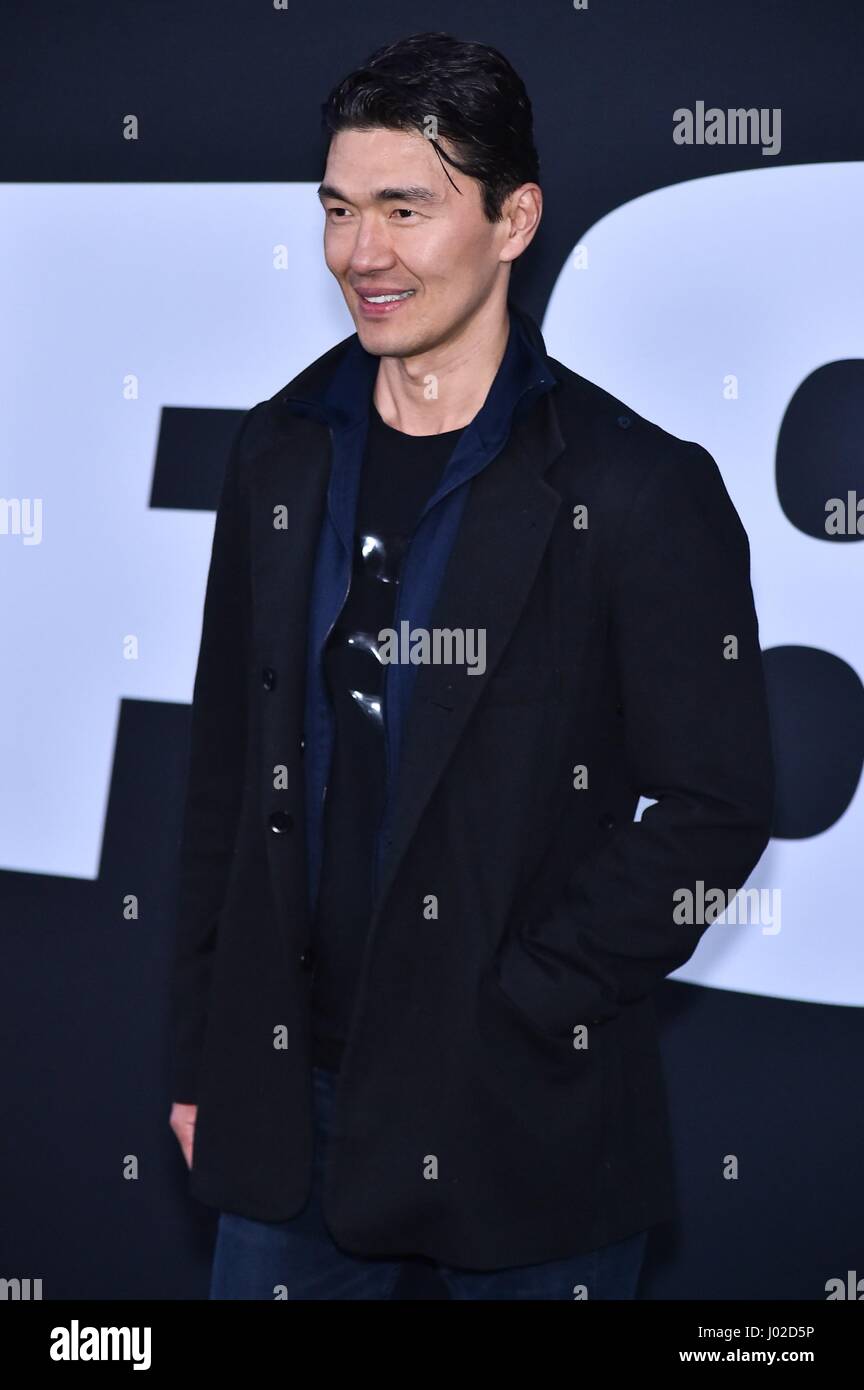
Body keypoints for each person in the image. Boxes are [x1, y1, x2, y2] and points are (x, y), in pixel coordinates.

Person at [168, 31, 774, 1300]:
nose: (361, 255)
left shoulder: (638, 485)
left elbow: (718, 808)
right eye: (338, 210)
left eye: (405, 207)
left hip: (526, 1131)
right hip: (289, 1120)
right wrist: (200, 1057)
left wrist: (523, 999)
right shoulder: (279, 454)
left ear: (515, 218)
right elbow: (225, 771)